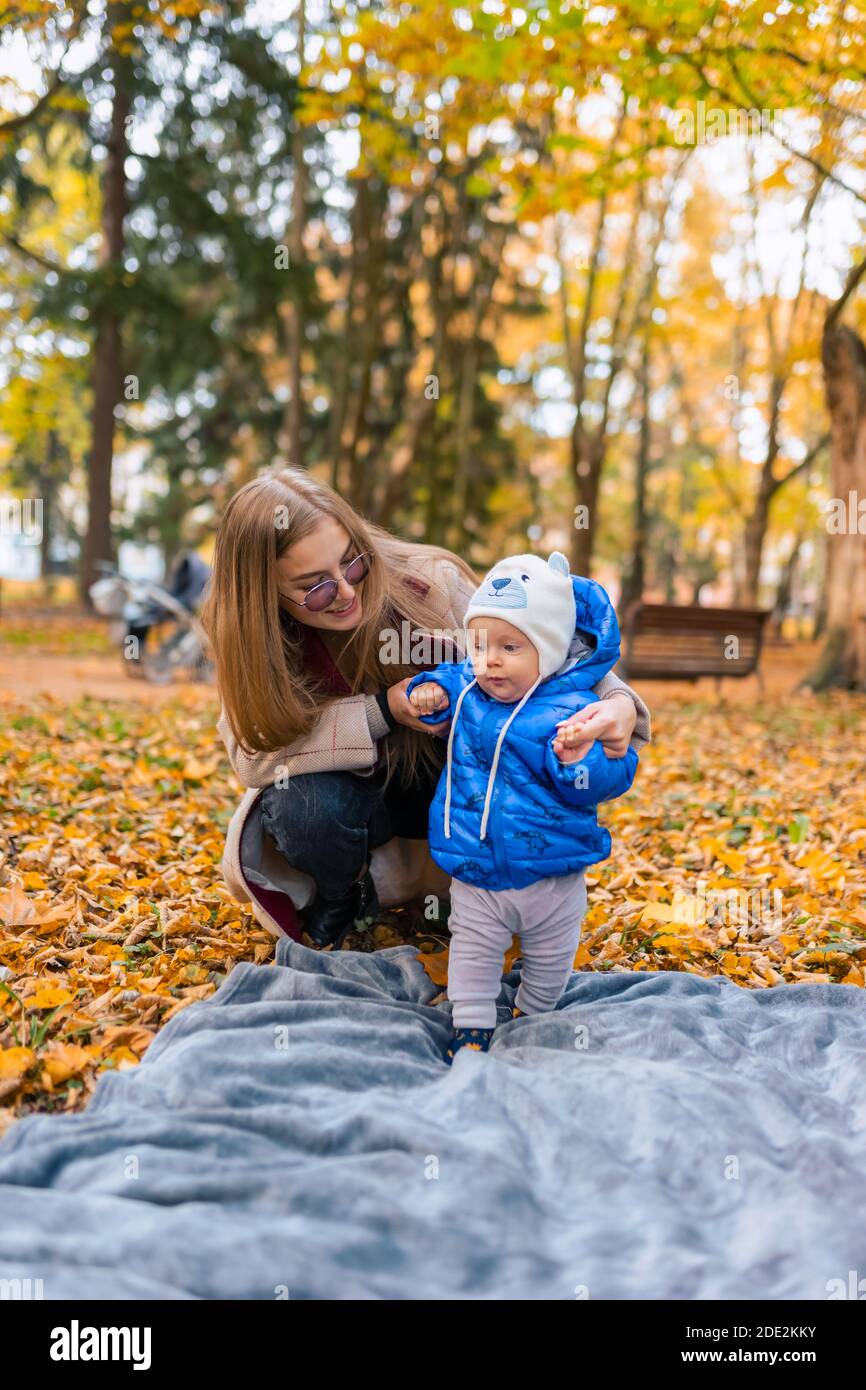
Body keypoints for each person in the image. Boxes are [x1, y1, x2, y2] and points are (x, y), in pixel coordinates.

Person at [201, 468, 651, 949]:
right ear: (264, 593)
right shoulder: (251, 641)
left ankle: (477, 890)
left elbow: (542, 643)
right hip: (353, 808)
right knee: (302, 805)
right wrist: (383, 710)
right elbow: (254, 756)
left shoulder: (430, 583)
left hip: (449, 785)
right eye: (317, 587)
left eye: (352, 564)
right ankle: (344, 896)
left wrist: (618, 703)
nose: (348, 591)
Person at [406, 550, 639, 1063]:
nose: (489, 659)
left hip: (553, 873)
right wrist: (429, 692)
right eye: (482, 644)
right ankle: (470, 1023)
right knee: (471, 947)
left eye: (510, 646)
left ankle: (534, 1011)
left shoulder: (576, 710)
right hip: (477, 863)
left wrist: (580, 760)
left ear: (550, 650)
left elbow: (614, 775)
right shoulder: (470, 685)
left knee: (552, 957)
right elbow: (449, 676)